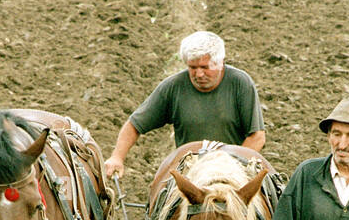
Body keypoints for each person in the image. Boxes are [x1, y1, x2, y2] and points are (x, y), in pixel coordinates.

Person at [103, 31, 266, 178]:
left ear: (220, 63)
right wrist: (117, 157)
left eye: (205, 67)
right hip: (191, 170)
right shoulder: (174, 87)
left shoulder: (240, 84)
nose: (198, 74)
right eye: (192, 67)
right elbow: (134, 125)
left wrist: (231, 165)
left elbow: (257, 136)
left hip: (233, 168)